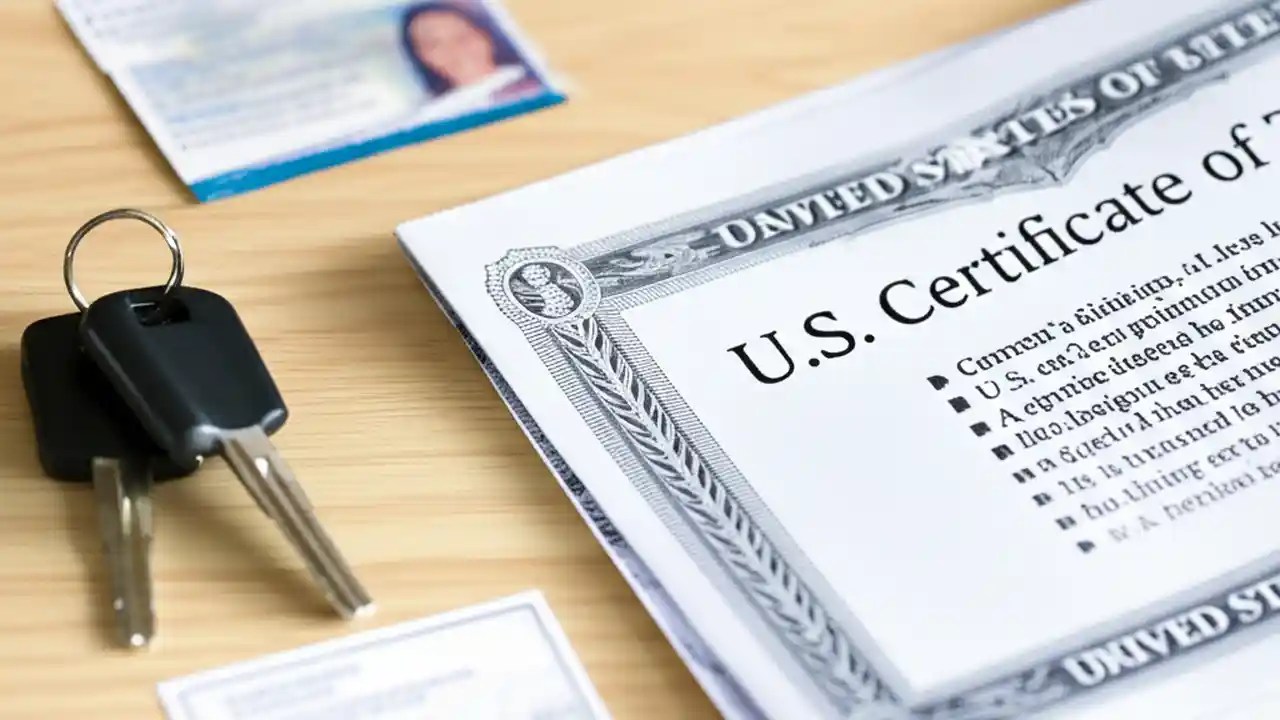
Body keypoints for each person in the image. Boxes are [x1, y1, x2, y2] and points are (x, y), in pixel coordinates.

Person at [400, 2, 545, 104]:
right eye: (434, 44)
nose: (454, 48)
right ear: (422, 56)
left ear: (486, 36)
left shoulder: (538, 82)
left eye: (462, 35)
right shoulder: (432, 117)